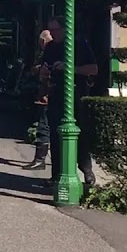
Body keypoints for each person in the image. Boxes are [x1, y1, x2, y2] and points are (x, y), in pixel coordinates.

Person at [38, 16, 98, 190]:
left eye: (55, 30)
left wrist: (70, 68)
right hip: (56, 92)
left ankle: (86, 169)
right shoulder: (50, 47)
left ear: (65, 29)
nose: (52, 33)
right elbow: (44, 66)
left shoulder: (78, 44)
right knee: (56, 134)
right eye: (50, 30)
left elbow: (93, 69)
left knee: (79, 132)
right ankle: (56, 174)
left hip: (76, 92)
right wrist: (43, 71)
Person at [24, 29, 55, 170]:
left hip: (47, 95)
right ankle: (39, 159)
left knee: (44, 126)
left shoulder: (50, 51)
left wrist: (39, 70)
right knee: (44, 125)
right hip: (46, 94)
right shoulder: (52, 51)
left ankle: (40, 160)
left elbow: (46, 70)